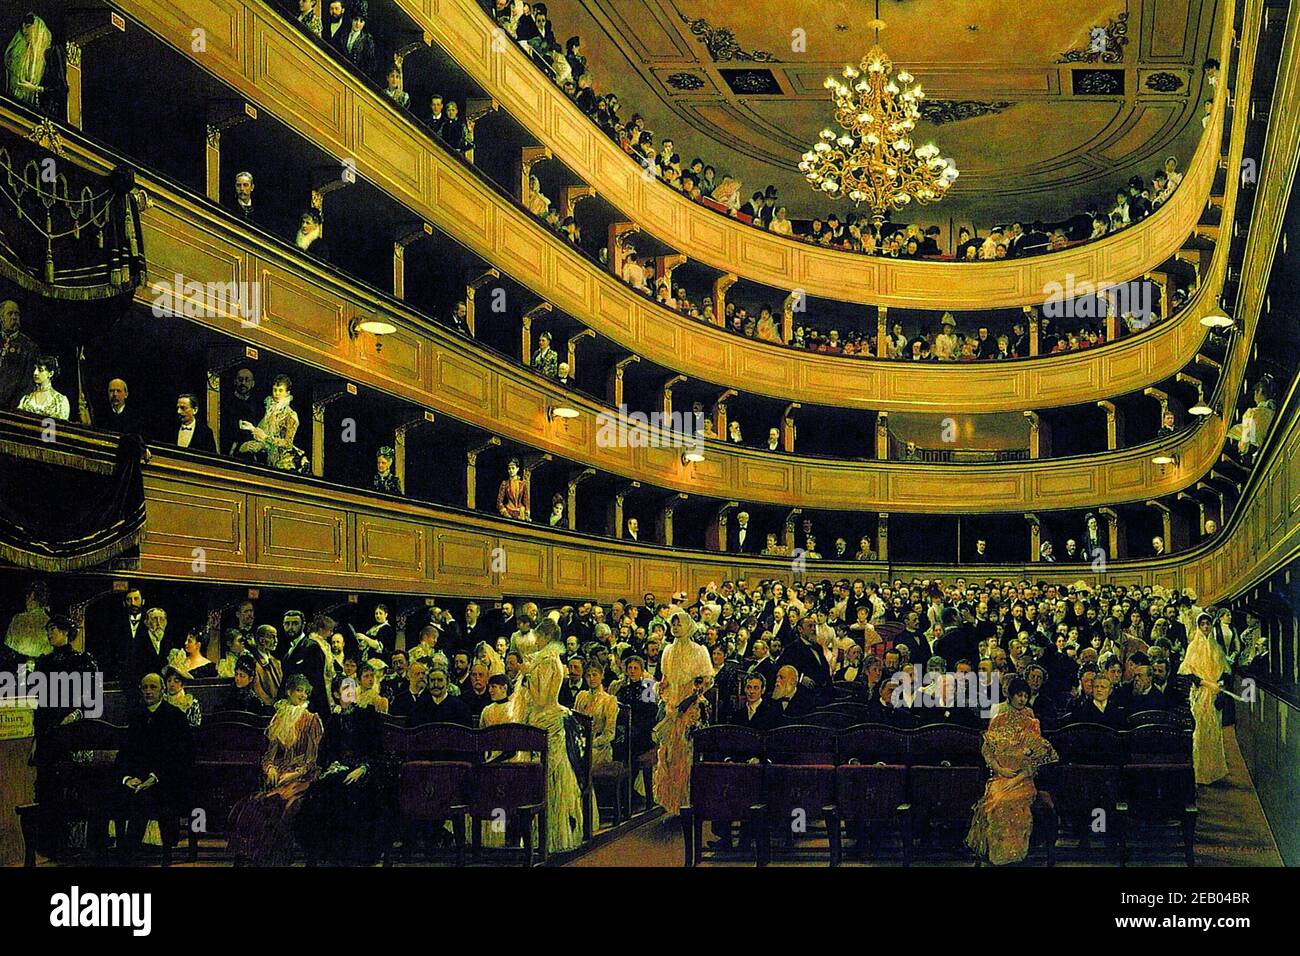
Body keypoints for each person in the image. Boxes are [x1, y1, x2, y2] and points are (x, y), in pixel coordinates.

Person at [228, 674, 324, 865]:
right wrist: (270, 768)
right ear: (289, 692)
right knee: (254, 804)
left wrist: (294, 773)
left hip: (301, 776)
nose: (302, 695)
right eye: (299, 690)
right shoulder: (278, 717)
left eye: (306, 692)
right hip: (278, 774)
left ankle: (277, 858)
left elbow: (311, 758)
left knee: (282, 804)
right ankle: (253, 856)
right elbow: (269, 754)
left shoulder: (312, 720)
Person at [506, 617, 584, 851]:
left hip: (548, 723)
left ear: (547, 637)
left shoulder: (549, 662)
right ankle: (538, 837)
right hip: (540, 721)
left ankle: (550, 837)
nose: (535, 640)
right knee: (538, 778)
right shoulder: (544, 660)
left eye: (538, 636)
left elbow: (541, 700)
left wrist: (527, 677)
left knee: (550, 780)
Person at [965, 676, 1058, 865]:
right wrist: (1000, 769)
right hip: (1001, 775)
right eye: (1019, 695)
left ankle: (1014, 856)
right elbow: (988, 751)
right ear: (1010, 696)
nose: (1022, 699)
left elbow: (1036, 757)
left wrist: (1018, 777)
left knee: (1009, 800)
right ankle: (998, 855)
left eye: (1025, 696)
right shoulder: (998, 719)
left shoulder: (1032, 722)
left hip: (1024, 778)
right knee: (996, 801)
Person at [652, 608, 712, 815]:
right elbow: (665, 678)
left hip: (690, 707)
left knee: (686, 753)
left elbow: (706, 680)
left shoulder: (699, 650)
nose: (675, 627)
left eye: (679, 624)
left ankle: (689, 801)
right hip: (671, 707)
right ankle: (673, 802)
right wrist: (664, 692)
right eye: (673, 624)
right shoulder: (667, 650)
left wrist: (690, 698)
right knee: (668, 754)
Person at [1180, 612, 1229, 785]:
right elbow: (1189, 673)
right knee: (1199, 730)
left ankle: (1213, 772)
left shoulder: (1216, 647)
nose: (1206, 627)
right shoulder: (1193, 647)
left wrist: (1219, 684)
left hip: (1215, 693)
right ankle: (1199, 773)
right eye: (1203, 624)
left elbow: (1224, 669)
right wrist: (1207, 684)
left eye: (1208, 624)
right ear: (1199, 627)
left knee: (1214, 731)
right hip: (1200, 692)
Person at [4, 14, 66, 120]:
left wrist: (35, 89)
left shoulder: (52, 53)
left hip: (44, 117)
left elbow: (61, 89)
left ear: (37, 29)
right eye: (22, 28)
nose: (24, 31)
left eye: (28, 27)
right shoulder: (22, 56)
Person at [237, 374, 301, 470]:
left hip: (283, 459)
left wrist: (266, 438)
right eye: (275, 390)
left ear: (287, 393)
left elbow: (287, 443)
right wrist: (252, 428)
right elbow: (262, 432)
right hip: (267, 455)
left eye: (280, 390)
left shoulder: (290, 415)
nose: (277, 393)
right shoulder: (269, 411)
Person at [16, 354, 69, 420]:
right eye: (35, 368)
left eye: (40, 370)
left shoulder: (60, 401)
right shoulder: (26, 399)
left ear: (50, 374)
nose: (35, 373)